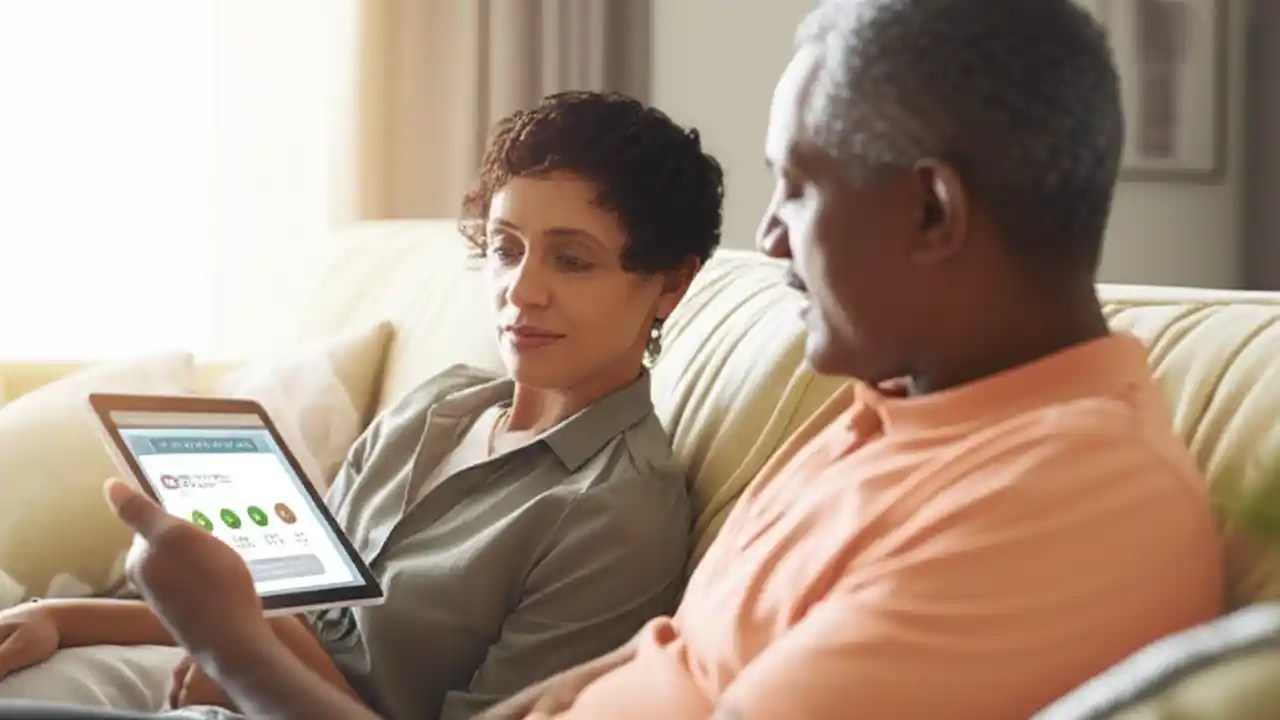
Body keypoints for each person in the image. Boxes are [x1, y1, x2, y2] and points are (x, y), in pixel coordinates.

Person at [4, 0, 1227, 717]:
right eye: (503, 249)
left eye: (796, 186)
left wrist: (230, 649)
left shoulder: (1056, 505)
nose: (765, 238)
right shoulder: (891, 410)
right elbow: (673, 662)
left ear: (930, 214)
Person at [0, 91, 724, 720]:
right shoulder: (438, 408)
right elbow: (289, 622)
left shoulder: (619, 513)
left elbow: (264, 640)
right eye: (506, 249)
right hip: (197, 679)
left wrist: (246, 657)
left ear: (668, 284)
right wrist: (57, 618)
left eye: (572, 260)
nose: (521, 291)